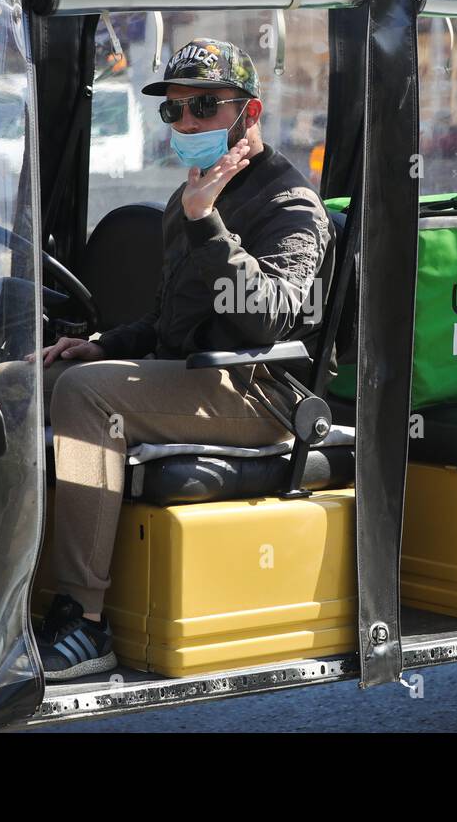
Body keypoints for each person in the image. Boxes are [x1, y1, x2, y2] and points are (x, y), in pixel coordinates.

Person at [34, 38, 334, 679]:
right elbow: (173, 320)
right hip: (193, 377)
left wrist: (207, 224)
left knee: (86, 395)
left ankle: (83, 621)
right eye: (175, 112)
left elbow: (267, 318)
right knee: (17, 381)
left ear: (248, 114)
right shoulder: (191, 194)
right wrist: (107, 344)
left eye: (204, 107)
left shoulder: (289, 206)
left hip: (258, 392)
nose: (188, 124)